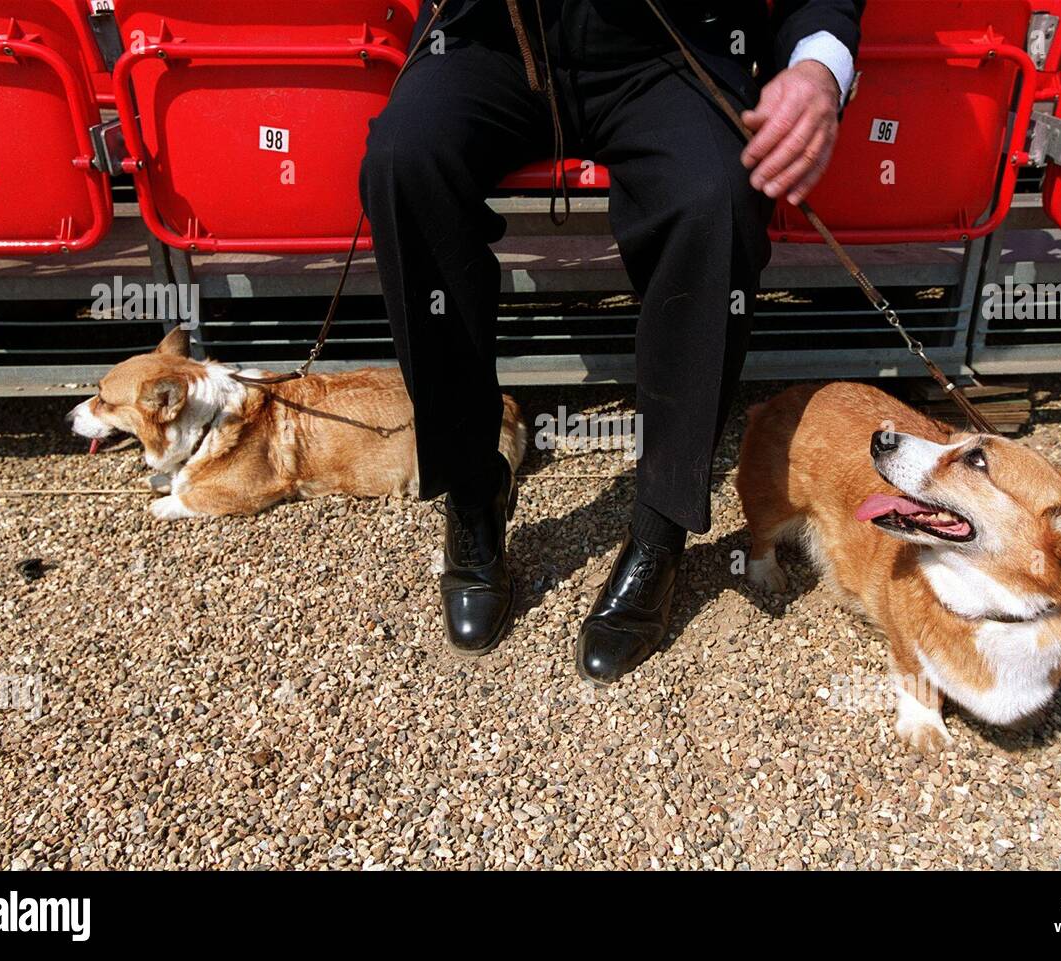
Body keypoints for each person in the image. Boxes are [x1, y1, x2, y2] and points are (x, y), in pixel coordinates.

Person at [359, 0, 864, 684]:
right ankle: (474, 488)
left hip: (667, 42)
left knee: (715, 196)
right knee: (402, 160)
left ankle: (661, 527)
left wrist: (817, 66)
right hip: (491, 35)